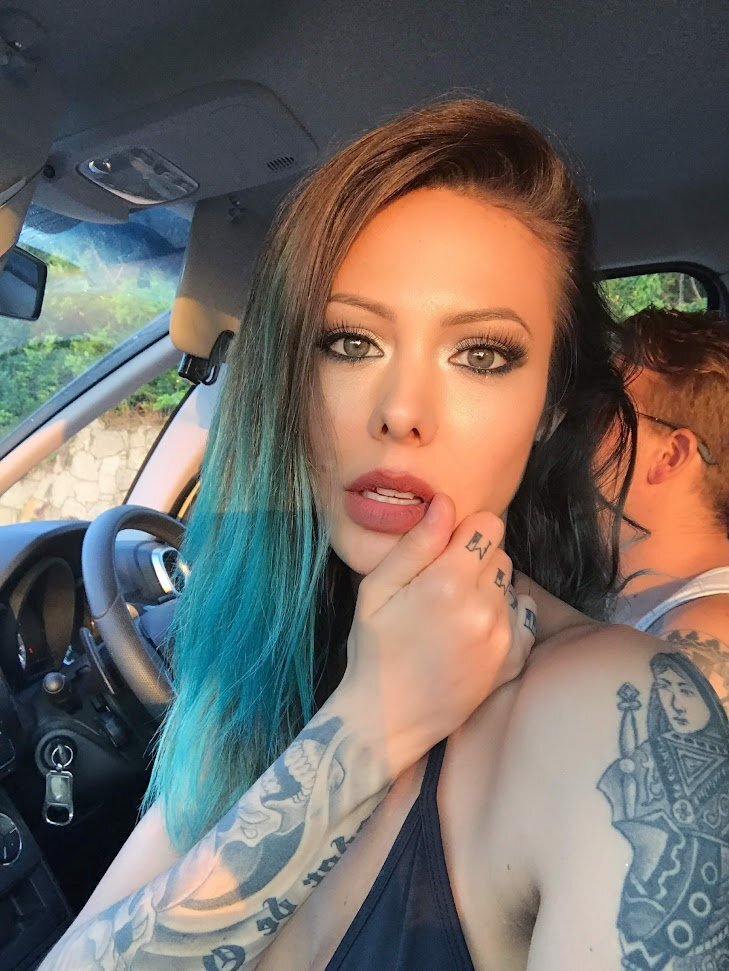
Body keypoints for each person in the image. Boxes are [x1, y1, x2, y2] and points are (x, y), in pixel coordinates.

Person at [40, 99, 729, 970]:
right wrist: (368, 720)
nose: (401, 411)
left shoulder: (609, 714)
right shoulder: (271, 664)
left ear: (550, 405)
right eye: (348, 341)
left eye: (481, 354)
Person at [608, 307, 729, 710]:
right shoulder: (637, 598)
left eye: (603, 408)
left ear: (669, 456)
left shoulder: (709, 632)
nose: (572, 423)